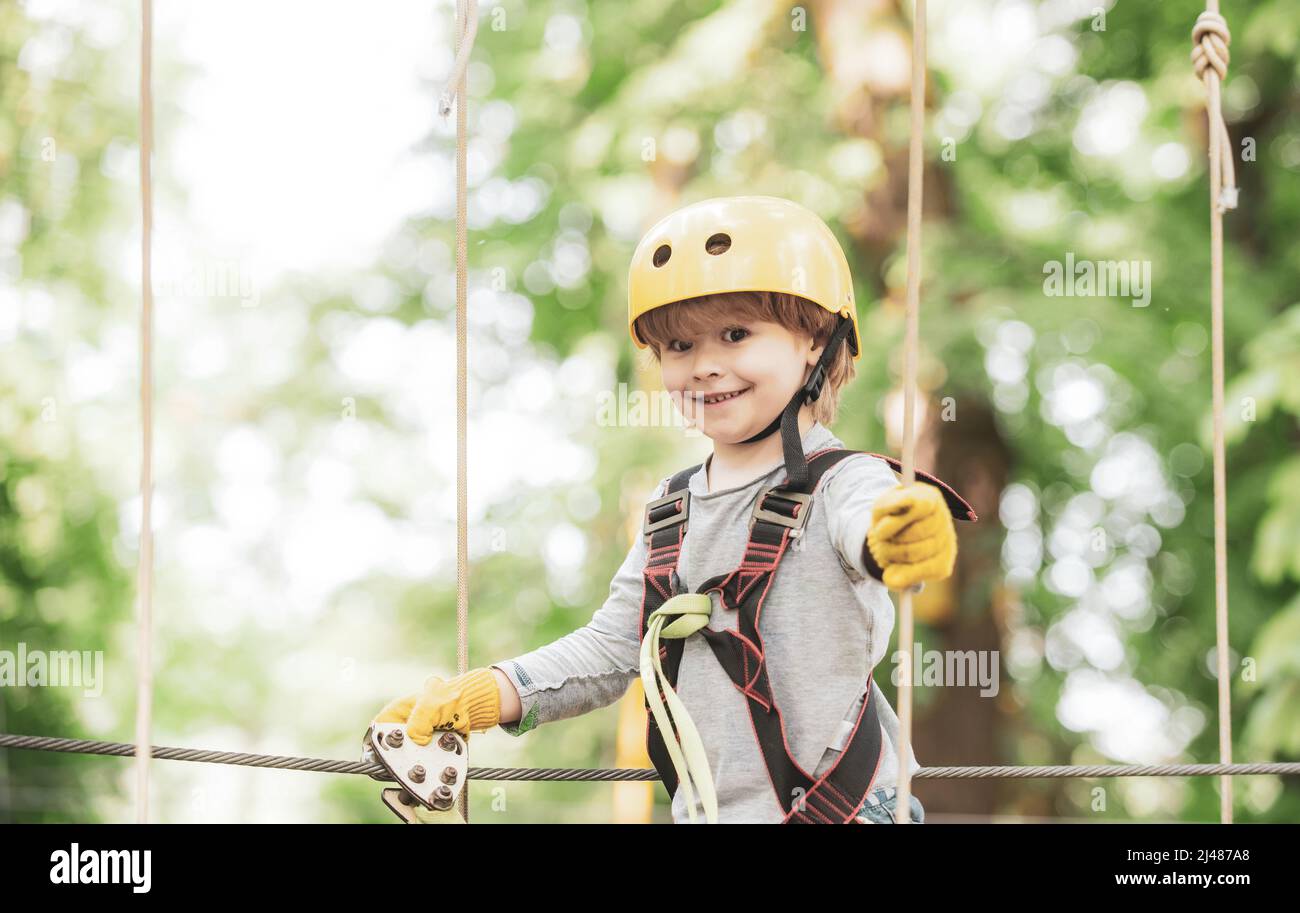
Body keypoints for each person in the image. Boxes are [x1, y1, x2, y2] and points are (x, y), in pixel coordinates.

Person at [373, 196, 973, 823]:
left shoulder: (847, 482)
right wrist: (484, 694)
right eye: (680, 345)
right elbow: (610, 649)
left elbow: (871, 526)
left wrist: (897, 539)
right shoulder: (671, 512)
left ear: (815, 340)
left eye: (737, 334)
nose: (706, 365)